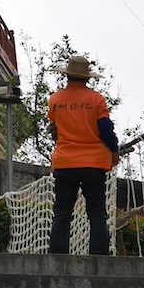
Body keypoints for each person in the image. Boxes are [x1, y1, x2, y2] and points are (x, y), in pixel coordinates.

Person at [47, 55, 119, 255]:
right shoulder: (96, 99)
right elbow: (106, 131)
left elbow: (55, 128)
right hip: (94, 163)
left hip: (65, 161)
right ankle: (98, 256)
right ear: (87, 78)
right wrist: (114, 151)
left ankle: (58, 256)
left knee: (62, 213)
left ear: (67, 76)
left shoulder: (55, 99)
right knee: (96, 213)